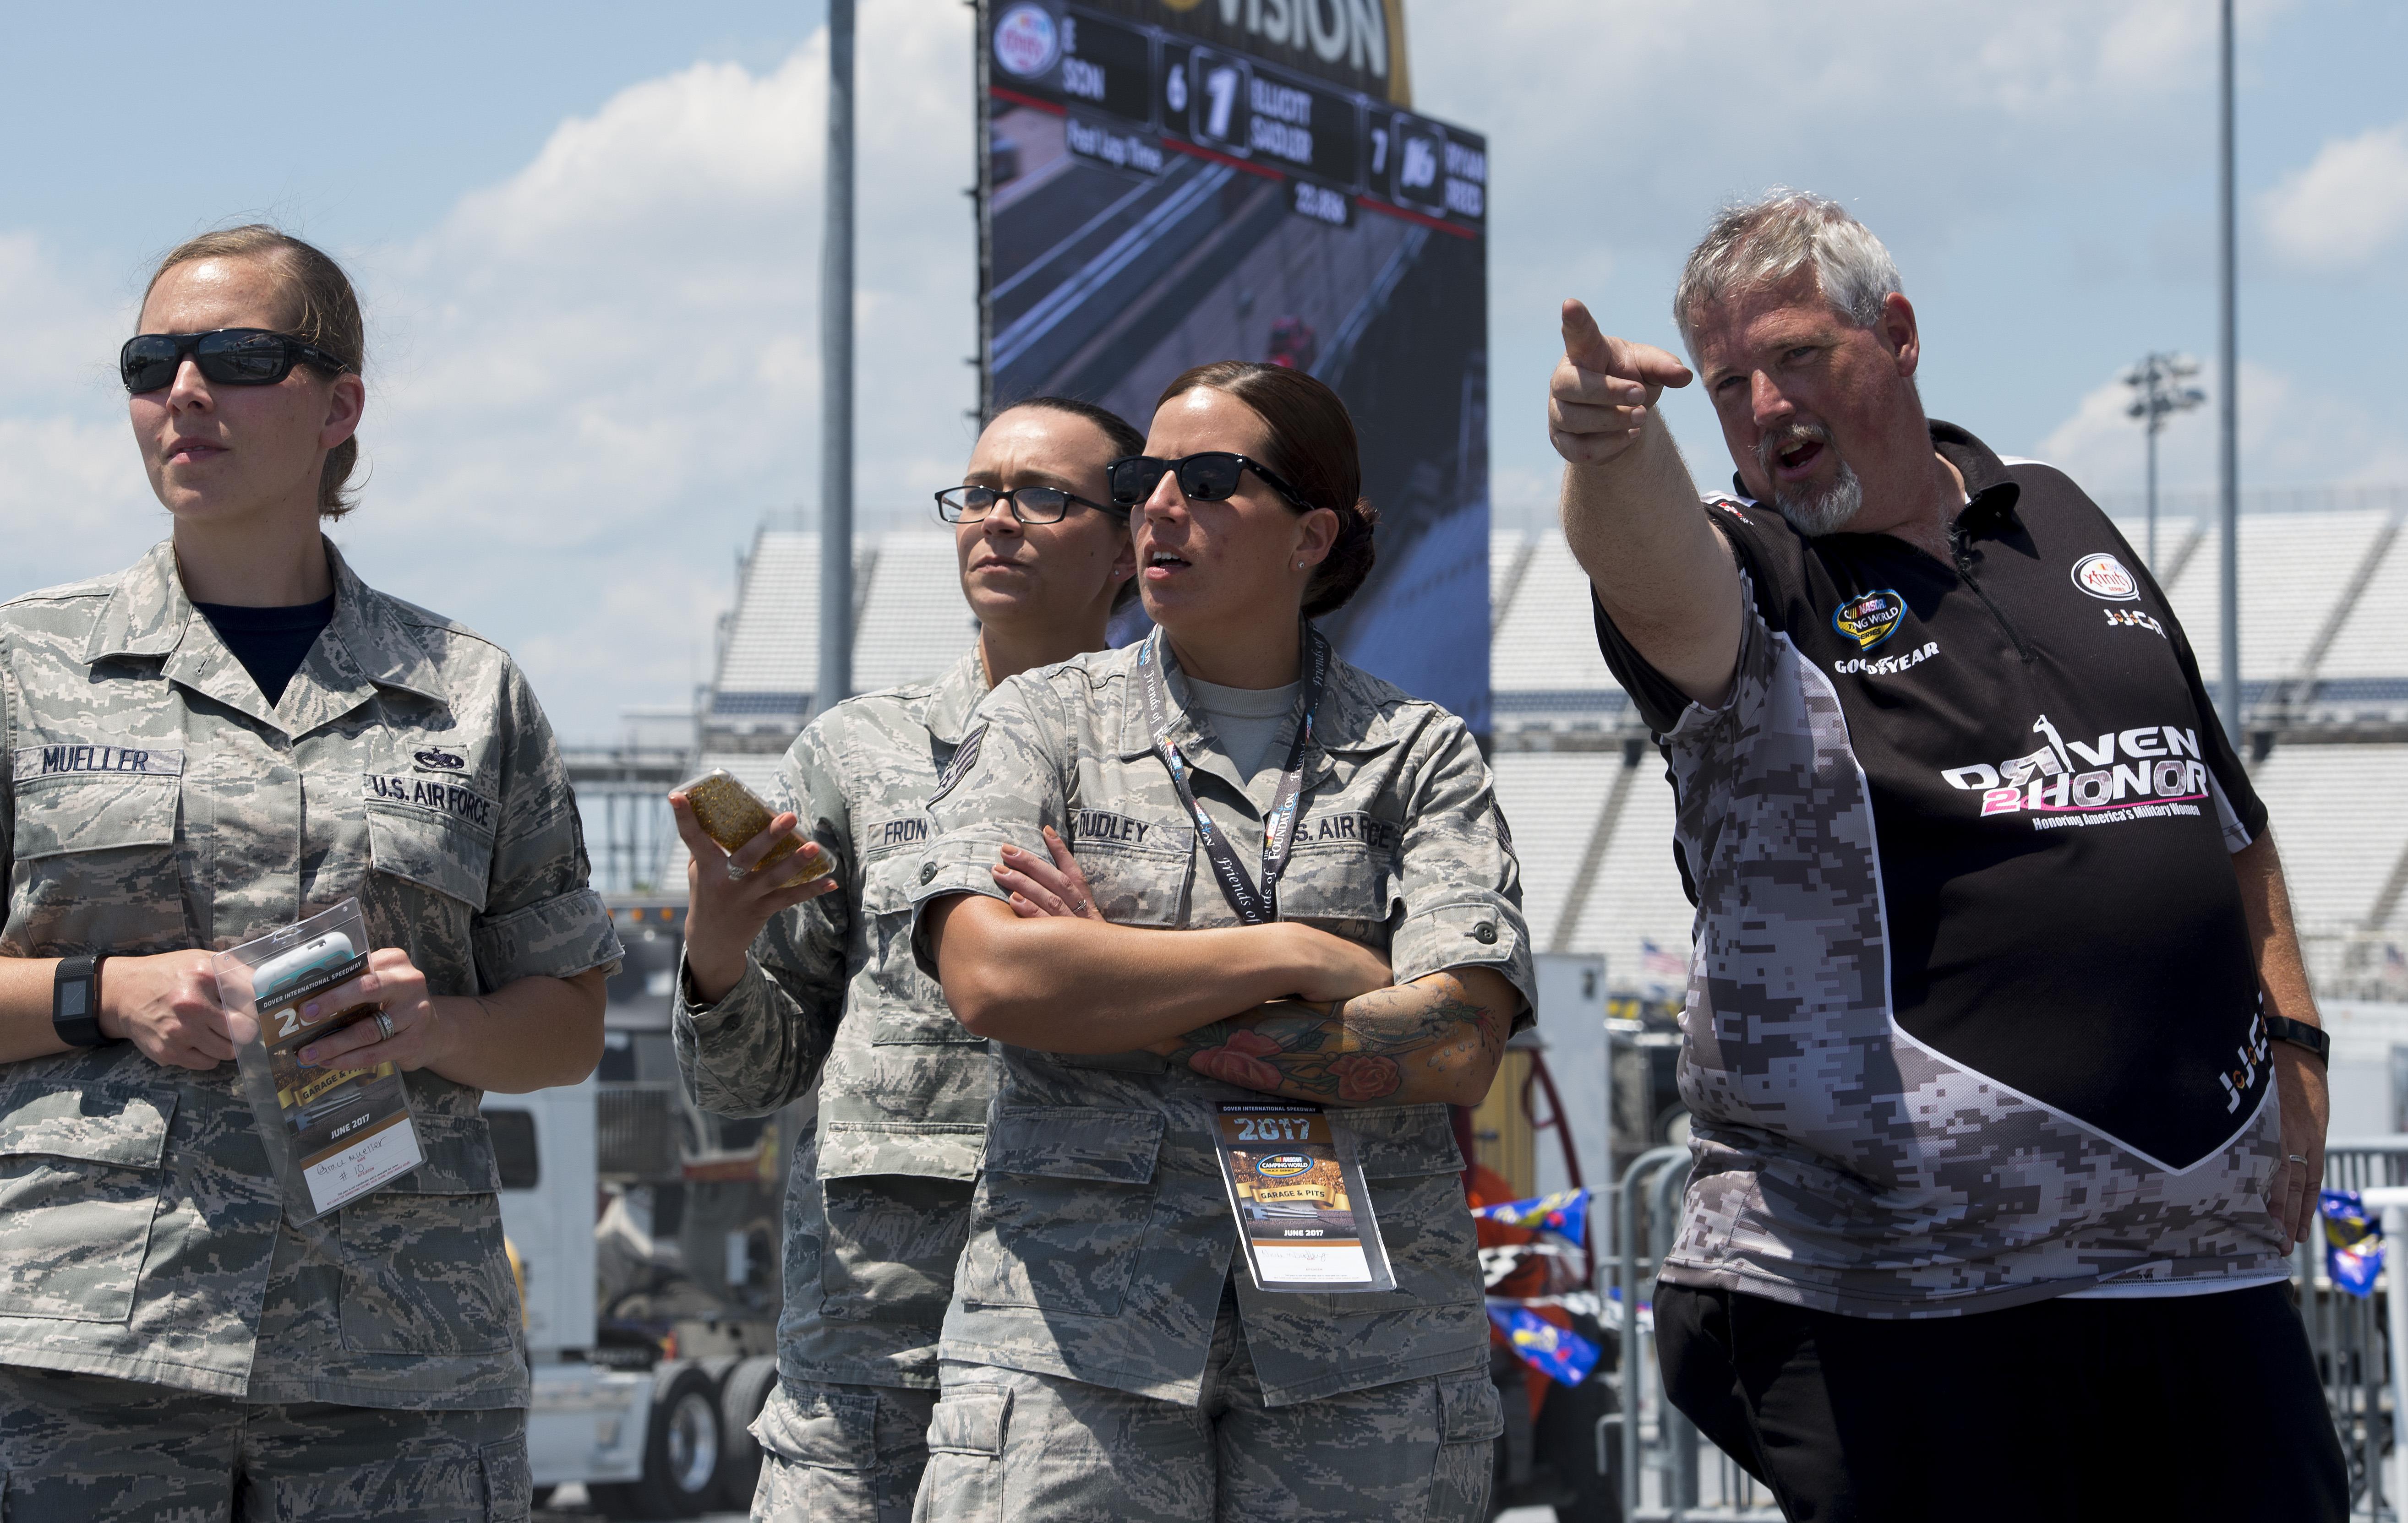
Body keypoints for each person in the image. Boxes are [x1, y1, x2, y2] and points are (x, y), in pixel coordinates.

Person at [1547, 189, 2343, 1520]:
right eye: (1731, 381)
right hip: (1899, 1286)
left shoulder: (2063, 516)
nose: (1764, 404)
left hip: (2194, 1268)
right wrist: (1609, 450)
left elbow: (2222, 813)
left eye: (1800, 355)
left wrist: (2301, 1046)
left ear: (1899, 335)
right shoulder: (1749, 570)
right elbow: (1646, 568)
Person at [0, 225, 617, 1522]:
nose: (183, 392)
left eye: (238, 358)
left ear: (341, 404)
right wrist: (105, 992)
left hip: (395, 1366)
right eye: (151, 363)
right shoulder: (20, 666)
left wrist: (443, 1022)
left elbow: (567, 1022)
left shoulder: (468, 695)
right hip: (74, 1354)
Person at [911, 361, 1530, 1522]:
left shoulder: (1418, 752)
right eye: (1146, 478)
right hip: (1072, 1344)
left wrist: (1110, 983)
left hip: (1365, 1359)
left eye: (1205, 481)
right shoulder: (1041, 721)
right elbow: (992, 977)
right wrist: (1293, 956)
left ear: (1310, 536)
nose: (1155, 508)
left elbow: (1450, 1046)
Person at [669, 397, 1144, 1521]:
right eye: (977, 494)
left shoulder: (1178, 765)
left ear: (1126, 543)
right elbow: (746, 1082)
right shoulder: (856, 752)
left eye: (1042, 497)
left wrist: (1106, 960)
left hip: (1105, 1319)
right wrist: (719, 952)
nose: (997, 522)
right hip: (873, 1342)